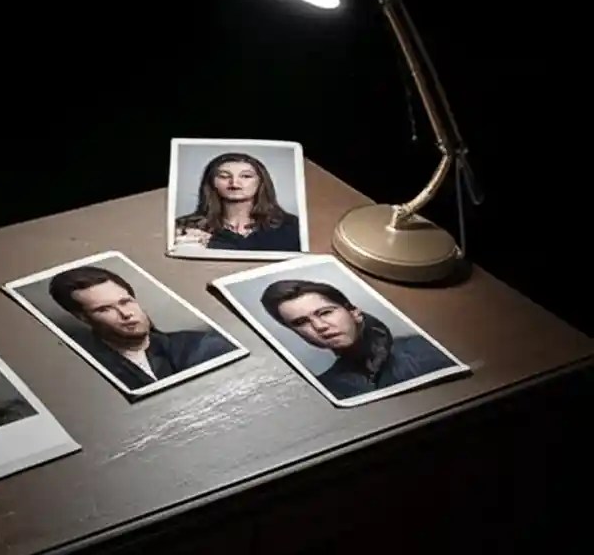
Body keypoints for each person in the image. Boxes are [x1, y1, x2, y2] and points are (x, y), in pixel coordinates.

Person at [48, 265, 238, 390]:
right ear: (83, 318)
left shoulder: (200, 345)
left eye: (126, 302)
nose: (125, 314)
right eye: (105, 309)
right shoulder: (86, 376)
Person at [259, 279, 454, 399]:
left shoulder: (424, 348)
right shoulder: (329, 387)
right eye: (301, 322)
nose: (319, 327)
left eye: (325, 312)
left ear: (355, 312)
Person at [174, 151, 301, 252]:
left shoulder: (292, 227)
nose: (234, 183)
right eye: (224, 176)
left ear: (261, 182)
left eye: (246, 176)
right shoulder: (185, 226)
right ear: (212, 183)